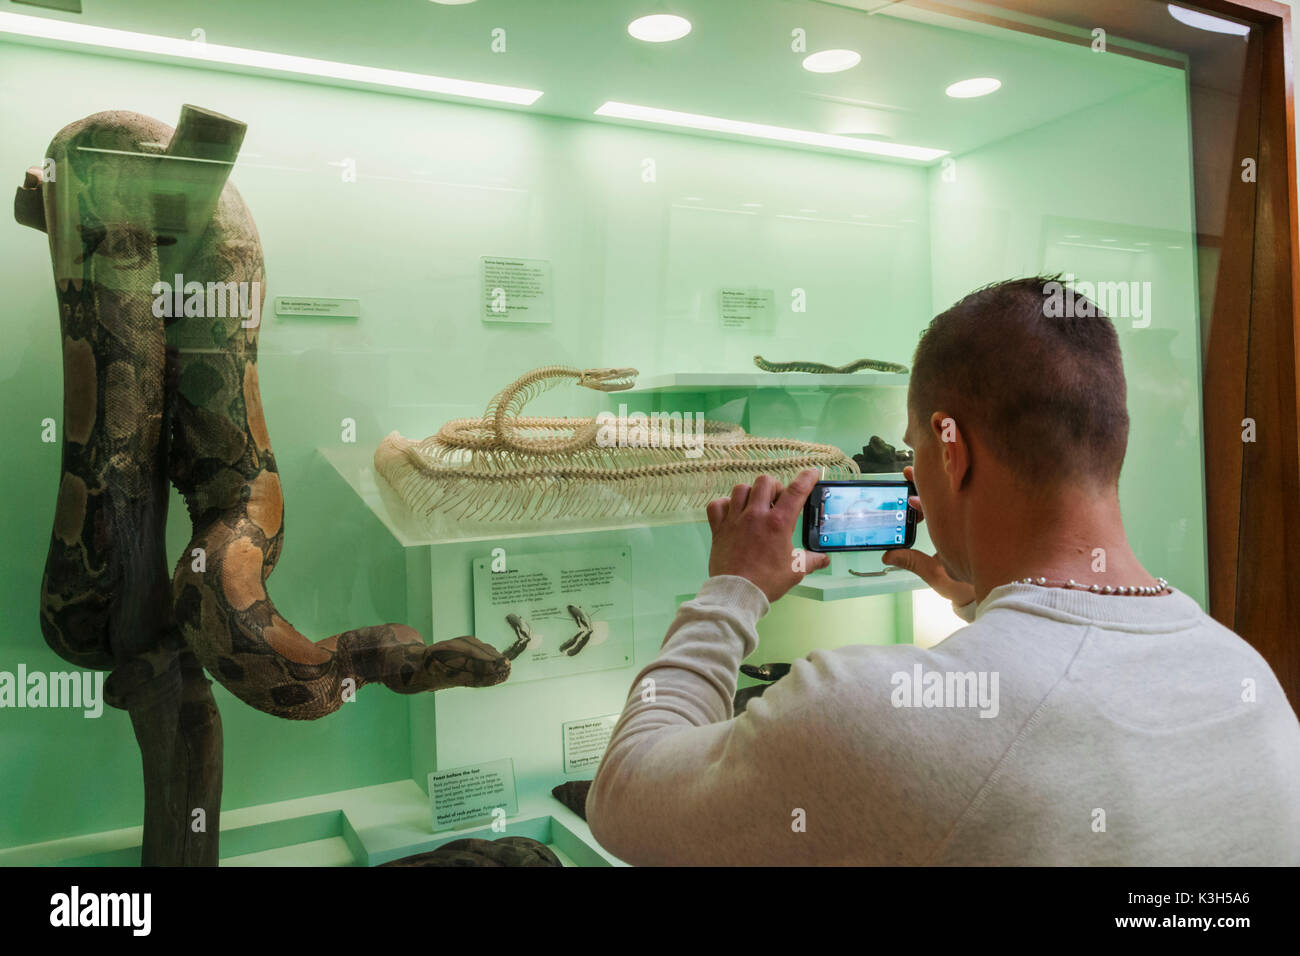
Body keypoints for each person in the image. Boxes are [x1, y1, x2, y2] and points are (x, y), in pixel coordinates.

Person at [585, 276, 1300, 865]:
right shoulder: (1251, 681)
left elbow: (623, 795)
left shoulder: (867, 710)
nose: (912, 474)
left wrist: (731, 592)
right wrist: (999, 610)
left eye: (913, 451)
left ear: (951, 448)